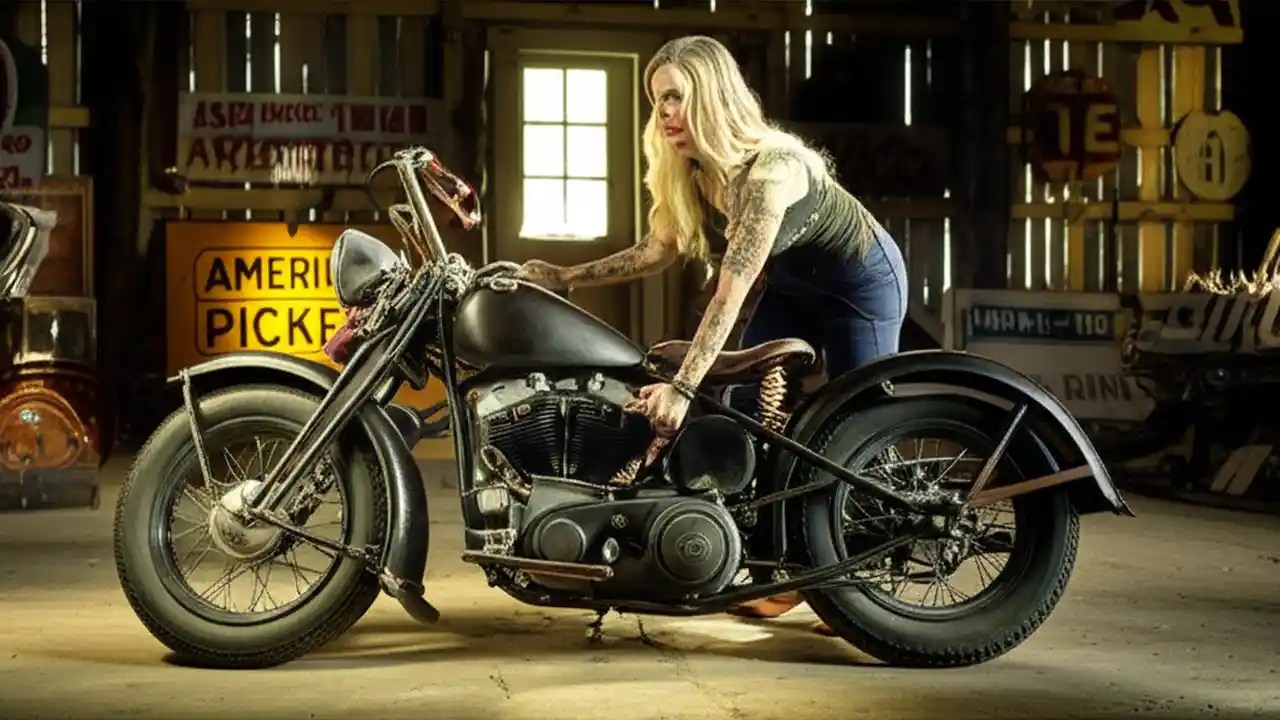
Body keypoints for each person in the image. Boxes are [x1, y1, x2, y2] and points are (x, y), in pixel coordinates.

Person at [518, 35, 908, 634]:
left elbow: (730, 292)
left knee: (853, 431)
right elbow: (658, 248)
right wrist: (566, 276)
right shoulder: (697, 173)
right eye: (658, 102)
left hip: (862, 285)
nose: (665, 113)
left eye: (676, 96)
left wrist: (680, 385)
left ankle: (864, 582)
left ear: (713, 96)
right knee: (752, 414)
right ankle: (785, 571)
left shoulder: (771, 170)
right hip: (793, 288)